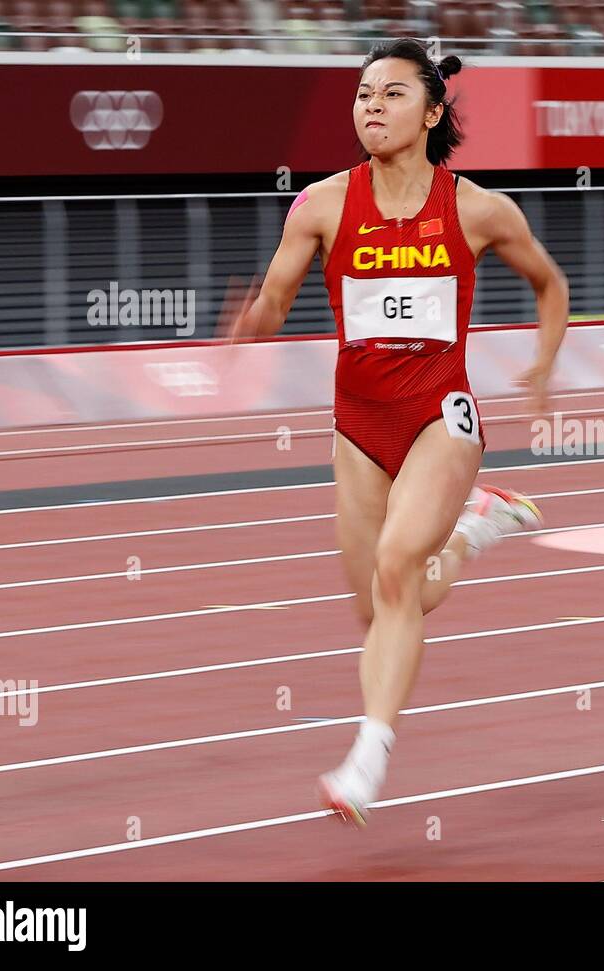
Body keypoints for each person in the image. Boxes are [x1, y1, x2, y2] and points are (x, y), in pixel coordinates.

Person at [224, 39, 569, 826]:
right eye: (361, 94)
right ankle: (475, 529)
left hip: (439, 415)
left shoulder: (478, 208)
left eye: (391, 94)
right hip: (357, 424)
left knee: (392, 567)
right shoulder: (320, 203)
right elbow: (278, 298)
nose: (371, 106)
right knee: (385, 603)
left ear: (433, 111)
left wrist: (543, 366)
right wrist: (256, 318)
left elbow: (551, 282)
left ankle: (367, 757)